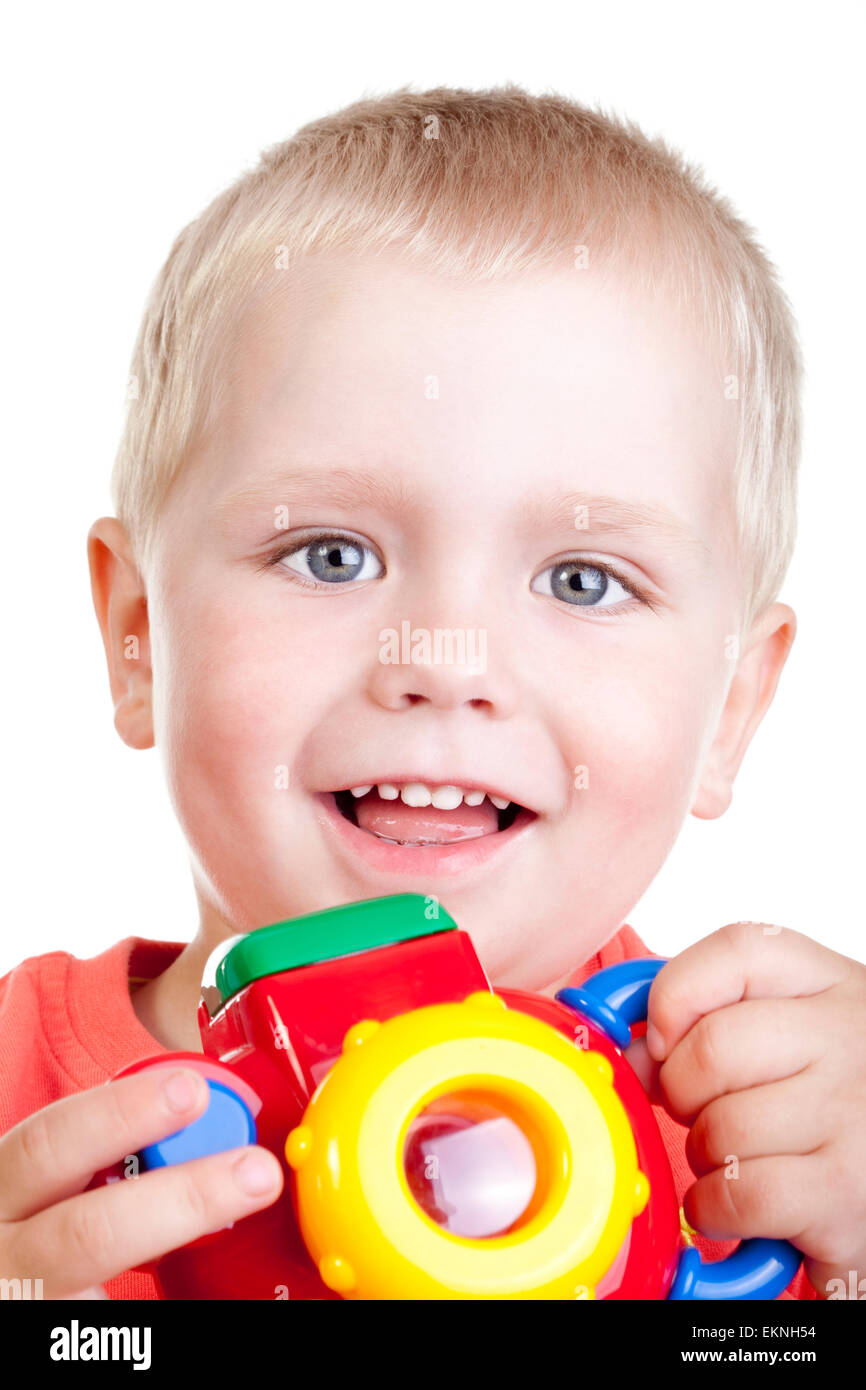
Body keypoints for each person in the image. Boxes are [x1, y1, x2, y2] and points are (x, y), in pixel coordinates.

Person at [2, 85, 862, 1301]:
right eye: (330, 555)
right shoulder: (11, 1136)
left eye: (580, 577)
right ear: (138, 634)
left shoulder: (777, 1147)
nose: (446, 661)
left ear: (729, 710)